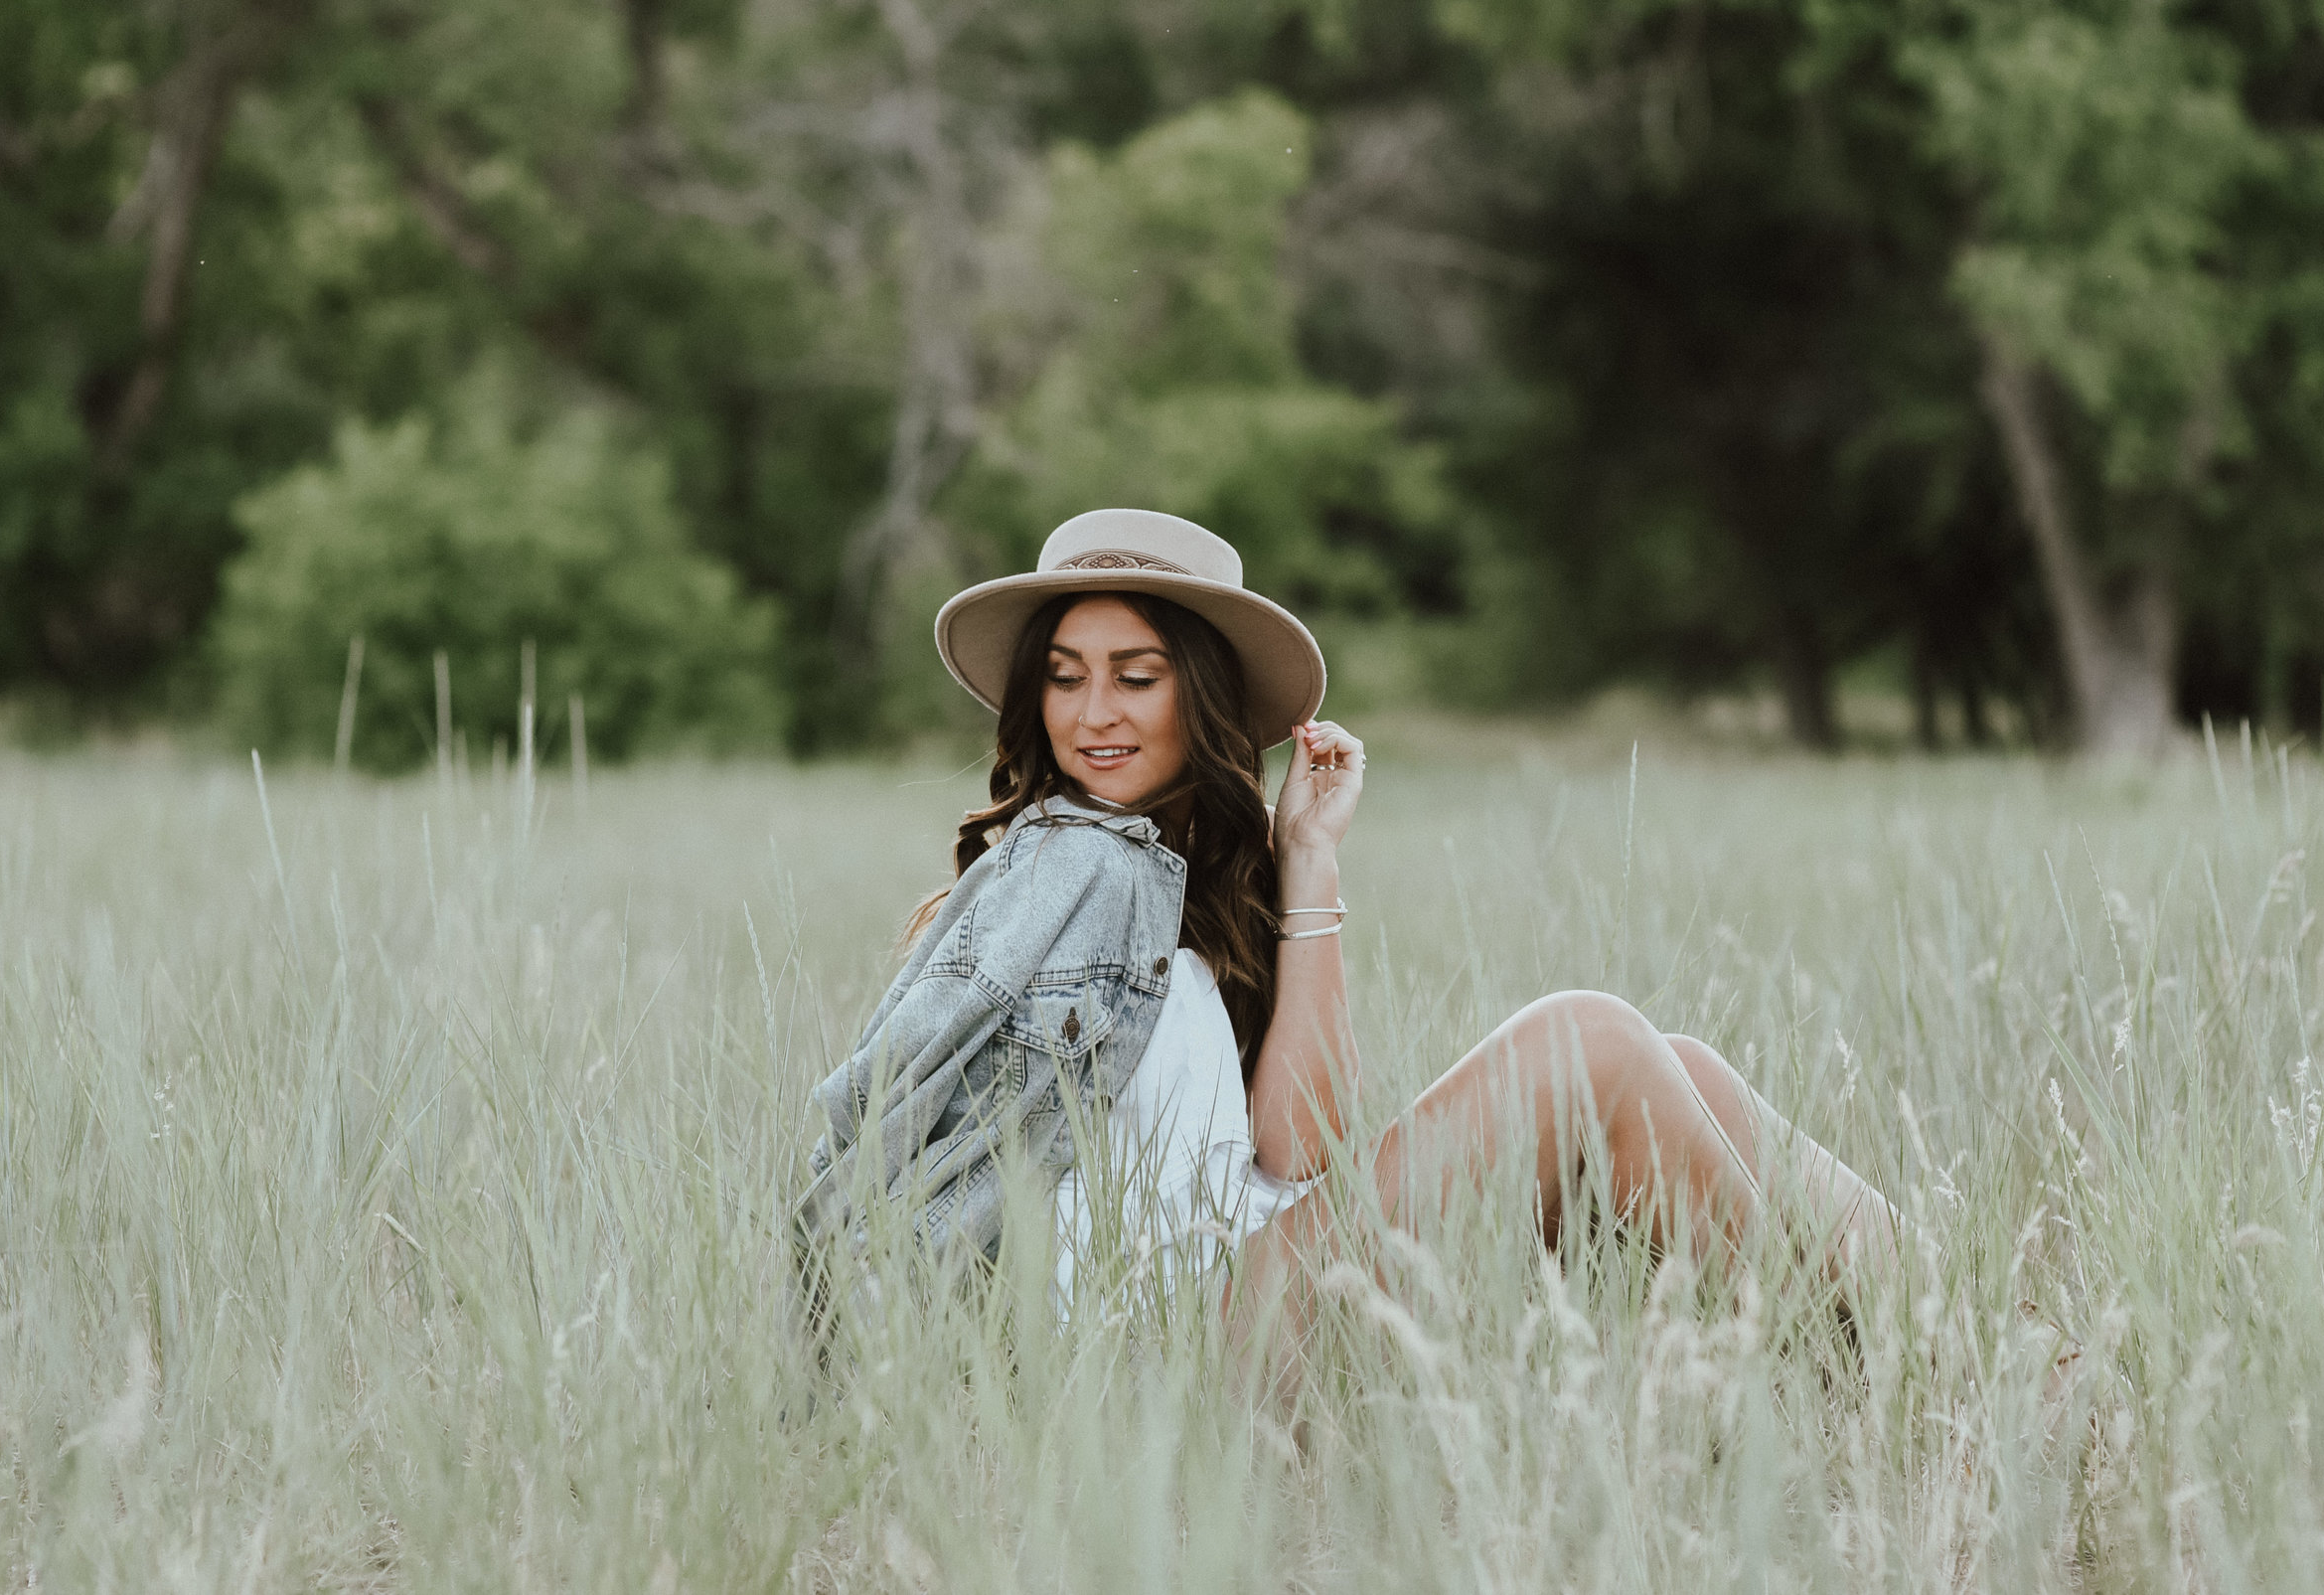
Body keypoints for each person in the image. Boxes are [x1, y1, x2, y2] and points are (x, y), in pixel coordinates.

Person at [798, 508, 1903, 1386]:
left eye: (1136, 675)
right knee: (1591, 1039)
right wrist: (867, 1362)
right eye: (1065, 674)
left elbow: (1297, 1147)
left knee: (1682, 1057)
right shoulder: (1058, 869)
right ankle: (1874, 1372)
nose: (1095, 712)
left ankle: (1961, 1333)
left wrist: (1307, 863)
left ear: (1202, 692)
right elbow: (867, 1118)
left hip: (1247, 1278)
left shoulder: (1182, 882)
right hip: (1152, 1340)